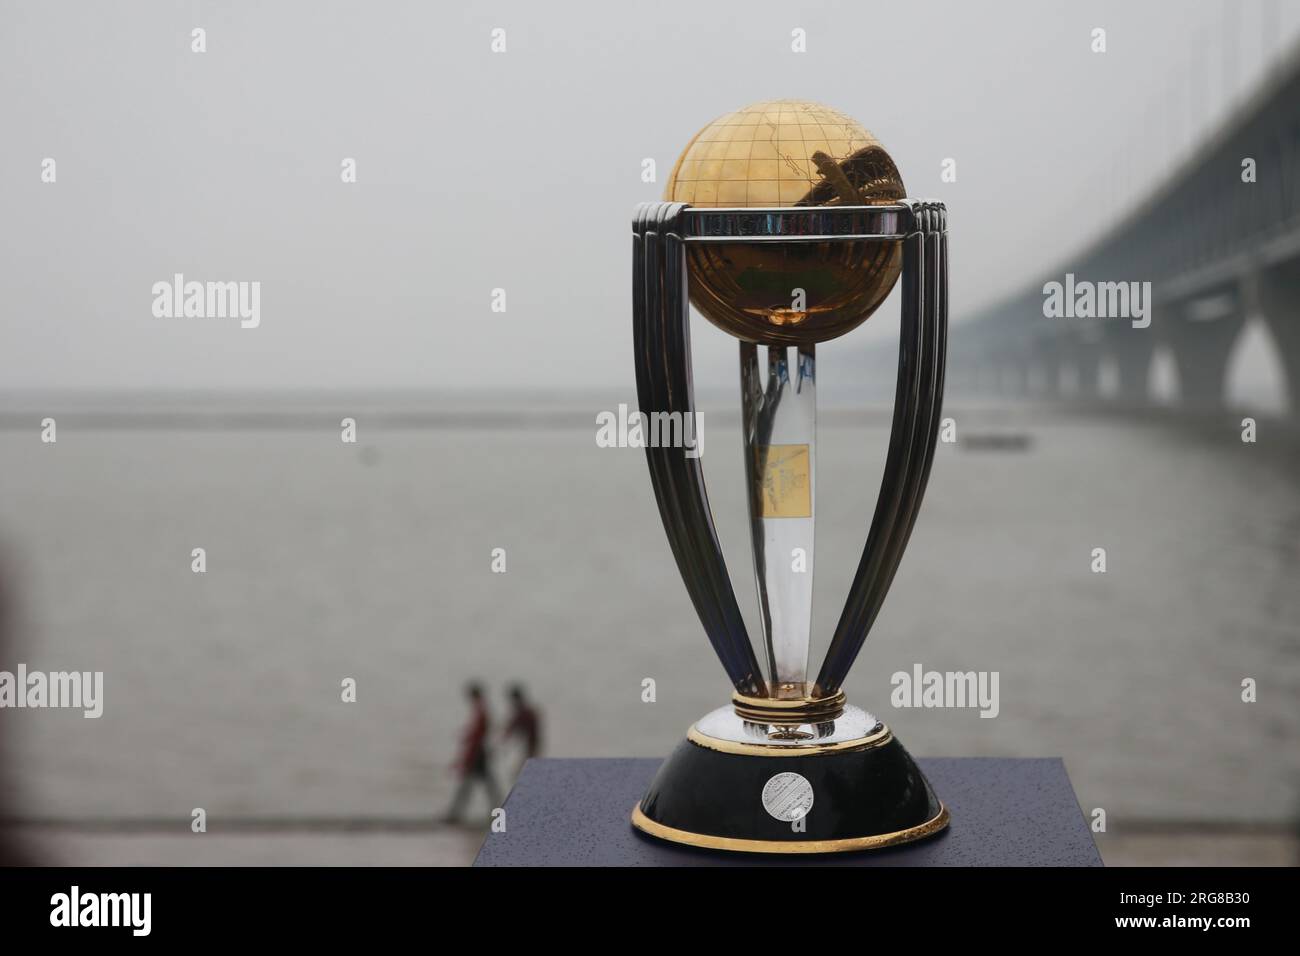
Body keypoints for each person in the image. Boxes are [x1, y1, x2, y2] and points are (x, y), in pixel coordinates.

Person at [443, 682, 501, 824]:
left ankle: (454, 815)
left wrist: (467, 755)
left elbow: (478, 735)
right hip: (480, 752)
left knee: (468, 785)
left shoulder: (481, 711)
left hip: (478, 754)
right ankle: (498, 811)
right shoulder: (482, 710)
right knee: (486, 786)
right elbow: (478, 732)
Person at [502, 683, 542, 775]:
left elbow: (513, 725)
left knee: (524, 773)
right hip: (531, 745)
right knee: (526, 772)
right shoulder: (526, 711)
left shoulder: (524, 711)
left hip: (532, 745)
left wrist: (505, 737)